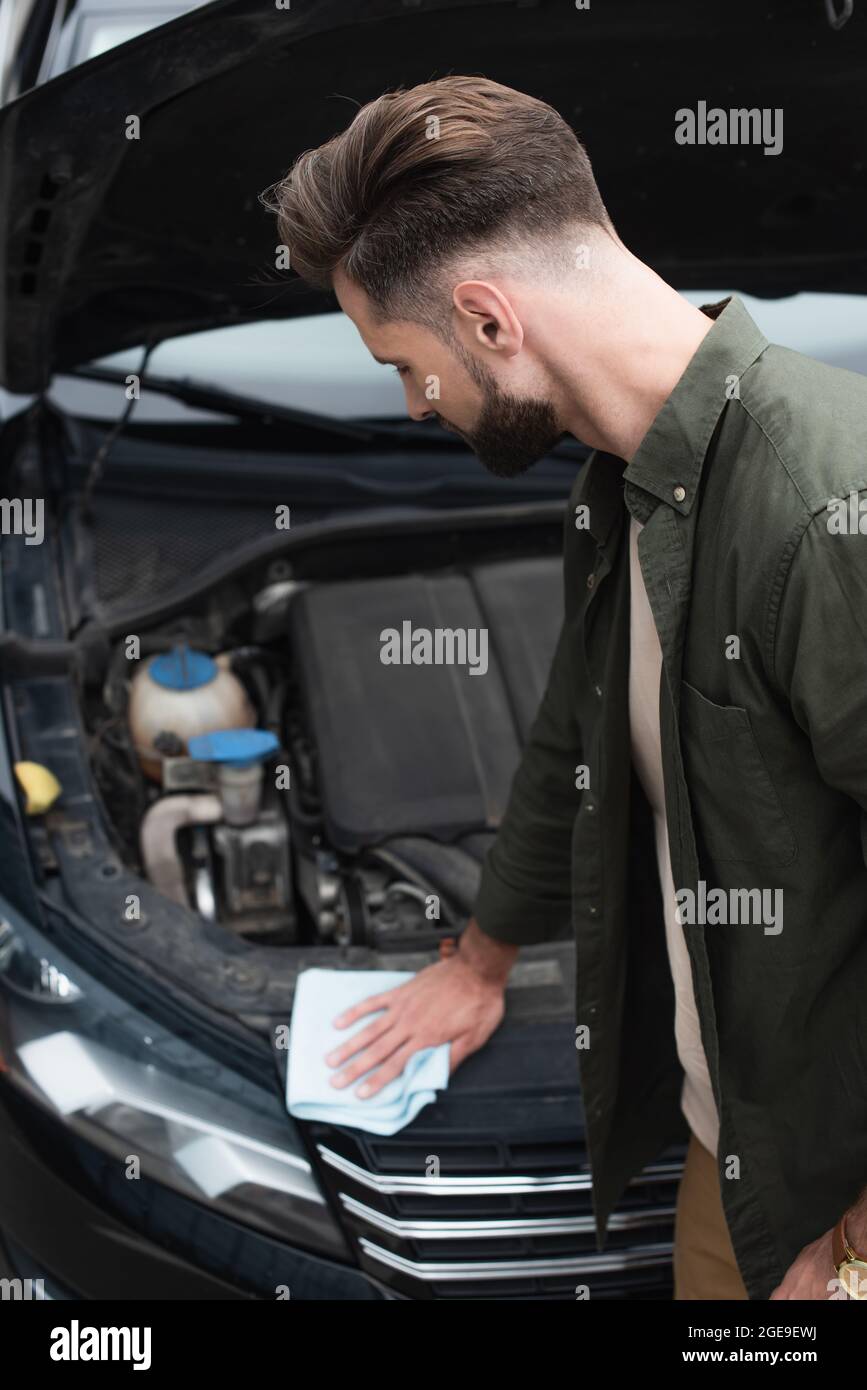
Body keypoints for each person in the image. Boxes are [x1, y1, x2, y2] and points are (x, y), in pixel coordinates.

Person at [263, 76, 867, 1301]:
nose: (409, 403)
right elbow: (572, 741)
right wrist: (479, 958)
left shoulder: (821, 510)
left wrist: (853, 1241)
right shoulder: (620, 482)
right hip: (733, 1152)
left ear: (488, 319)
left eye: (404, 363)